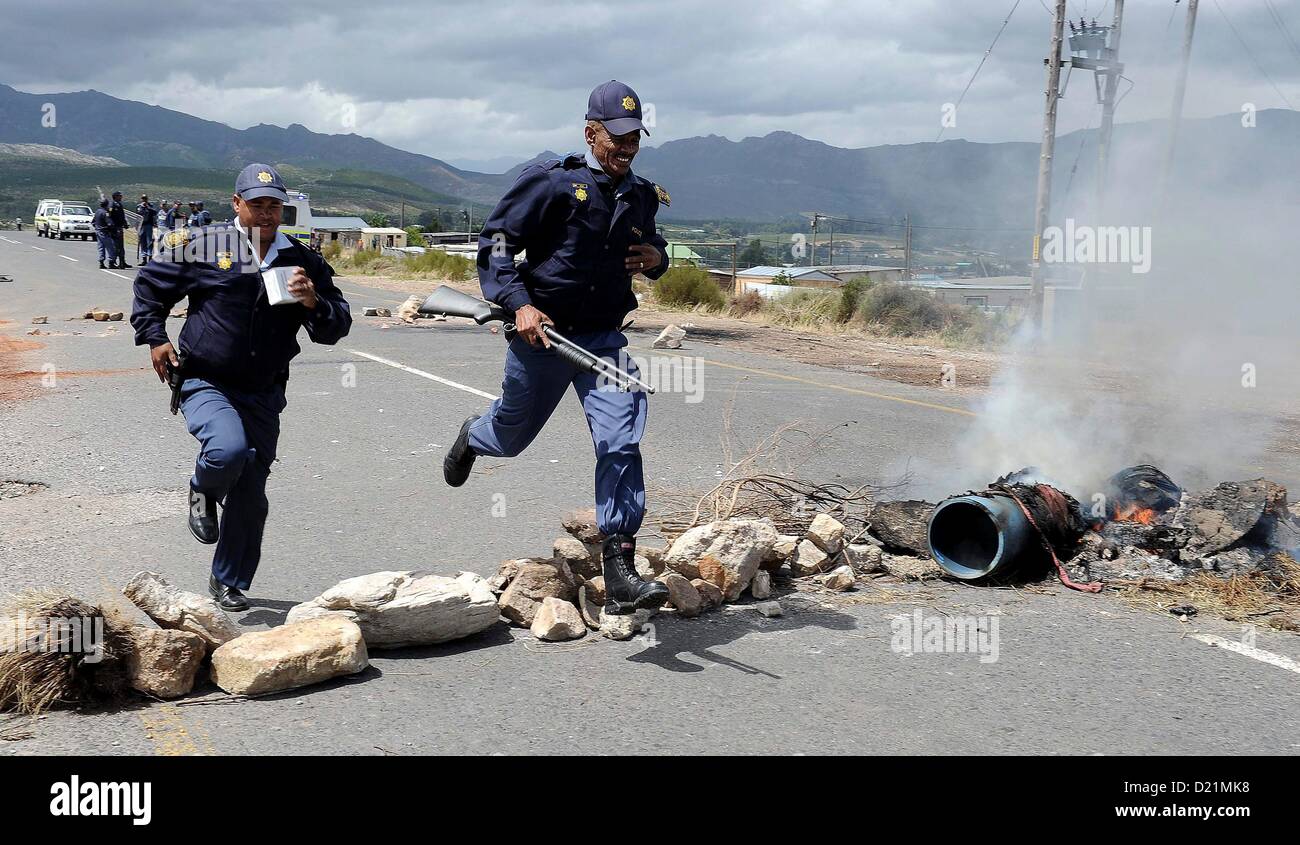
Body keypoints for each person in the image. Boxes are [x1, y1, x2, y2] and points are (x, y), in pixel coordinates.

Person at [444, 80, 672, 616]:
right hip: (544, 335)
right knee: (510, 437)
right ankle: (474, 437)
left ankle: (619, 567)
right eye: (616, 136)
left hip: (601, 341)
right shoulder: (552, 183)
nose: (627, 146)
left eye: (635, 136)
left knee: (621, 438)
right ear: (592, 133)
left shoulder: (640, 195)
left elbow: (654, 247)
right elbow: (497, 242)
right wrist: (517, 302)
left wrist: (656, 260)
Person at [130, 163, 352, 610]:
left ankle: (229, 580)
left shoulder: (302, 258)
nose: (267, 213)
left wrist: (313, 301)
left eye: (274, 205)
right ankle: (203, 488)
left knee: (252, 488)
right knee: (228, 450)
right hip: (205, 378)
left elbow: (335, 326)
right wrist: (154, 337)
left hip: (264, 390)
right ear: (237, 204)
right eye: (257, 204)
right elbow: (151, 288)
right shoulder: (203, 246)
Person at [92, 200, 118, 270]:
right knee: (111, 247)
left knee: (101, 247)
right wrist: (113, 229)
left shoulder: (97, 211)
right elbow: (110, 224)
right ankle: (111, 262)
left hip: (98, 231)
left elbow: (93, 222)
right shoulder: (105, 213)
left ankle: (101, 262)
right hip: (104, 232)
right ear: (107, 205)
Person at [109, 191, 131, 269]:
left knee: (120, 245)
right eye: (119, 196)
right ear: (115, 196)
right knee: (116, 246)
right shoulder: (112, 205)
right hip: (115, 227)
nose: (121, 197)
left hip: (119, 227)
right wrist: (112, 226)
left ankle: (122, 261)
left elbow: (122, 216)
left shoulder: (119, 204)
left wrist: (125, 223)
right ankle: (113, 262)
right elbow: (109, 216)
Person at [137, 194, 158, 265]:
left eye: (145, 198)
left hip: (149, 225)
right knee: (142, 242)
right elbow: (138, 215)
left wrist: (148, 207)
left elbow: (155, 212)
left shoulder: (150, 205)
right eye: (143, 198)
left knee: (149, 242)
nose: (144, 200)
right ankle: (144, 259)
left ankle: (150, 258)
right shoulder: (139, 206)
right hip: (142, 226)